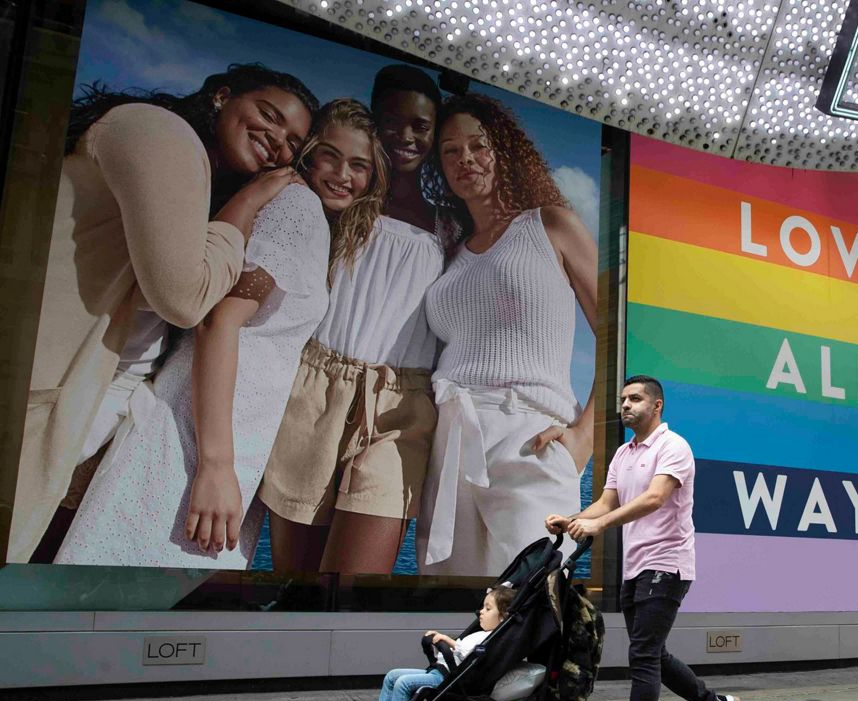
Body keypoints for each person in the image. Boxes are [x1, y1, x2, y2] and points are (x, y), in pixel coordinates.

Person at [56, 100, 384, 568]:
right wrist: (215, 466)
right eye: (328, 155)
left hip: (219, 436)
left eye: (359, 165)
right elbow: (218, 320)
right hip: (197, 443)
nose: (341, 173)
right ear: (307, 155)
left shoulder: (303, 215)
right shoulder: (297, 207)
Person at [14, 63, 318, 563]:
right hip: (40, 388)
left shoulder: (196, 171)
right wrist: (245, 203)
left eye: (292, 142)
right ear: (222, 96)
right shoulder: (160, 132)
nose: (277, 141)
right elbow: (184, 297)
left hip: (80, 395)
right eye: (269, 115)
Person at [262, 67, 443, 575]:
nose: (406, 136)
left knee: (357, 587)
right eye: (392, 122)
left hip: (401, 406)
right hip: (316, 390)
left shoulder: (451, 221)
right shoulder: (342, 197)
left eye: (421, 125)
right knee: (296, 583)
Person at [418, 93, 597, 577]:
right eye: (450, 151)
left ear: (505, 151)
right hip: (451, 436)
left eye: (478, 145)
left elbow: (622, 335)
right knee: (450, 605)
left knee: (535, 603)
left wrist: (585, 436)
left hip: (528, 434)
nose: (465, 159)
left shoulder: (550, 224)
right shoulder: (451, 252)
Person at [545, 376, 738, 701]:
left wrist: (598, 527)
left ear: (657, 406)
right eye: (623, 399)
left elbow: (654, 499)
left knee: (643, 657)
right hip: (636, 565)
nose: (625, 405)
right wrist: (575, 518)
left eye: (635, 399)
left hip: (667, 565)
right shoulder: (622, 453)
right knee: (653, 653)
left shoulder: (674, 447)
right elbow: (606, 502)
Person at [344, 586, 515, 701]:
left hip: (448, 678)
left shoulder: (492, 639)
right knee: (392, 675)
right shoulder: (481, 634)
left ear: (502, 617)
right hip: (440, 670)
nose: (481, 612)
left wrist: (447, 640)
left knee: (403, 683)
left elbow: (468, 653)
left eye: (487, 608)